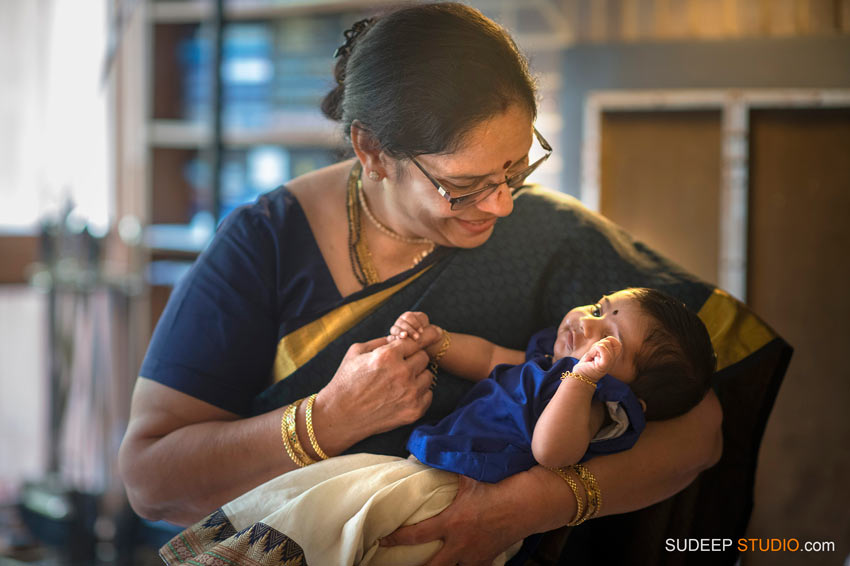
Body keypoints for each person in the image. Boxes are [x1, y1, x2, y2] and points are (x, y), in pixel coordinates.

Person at [119, 4, 723, 565]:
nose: (503, 204)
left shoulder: (550, 236)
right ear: (373, 149)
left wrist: (525, 506)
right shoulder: (265, 246)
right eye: (465, 184)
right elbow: (150, 480)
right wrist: (324, 420)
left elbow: (702, 427)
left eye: (517, 167)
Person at [158, 288, 716, 565]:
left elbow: (553, 452)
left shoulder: (594, 400)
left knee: (353, 514)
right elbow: (492, 357)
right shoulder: (549, 362)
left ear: (632, 388)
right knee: (340, 492)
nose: (588, 321)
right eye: (600, 305)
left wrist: (583, 382)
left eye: (610, 336)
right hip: (431, 468)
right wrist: (439, 342)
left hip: (467, 491)